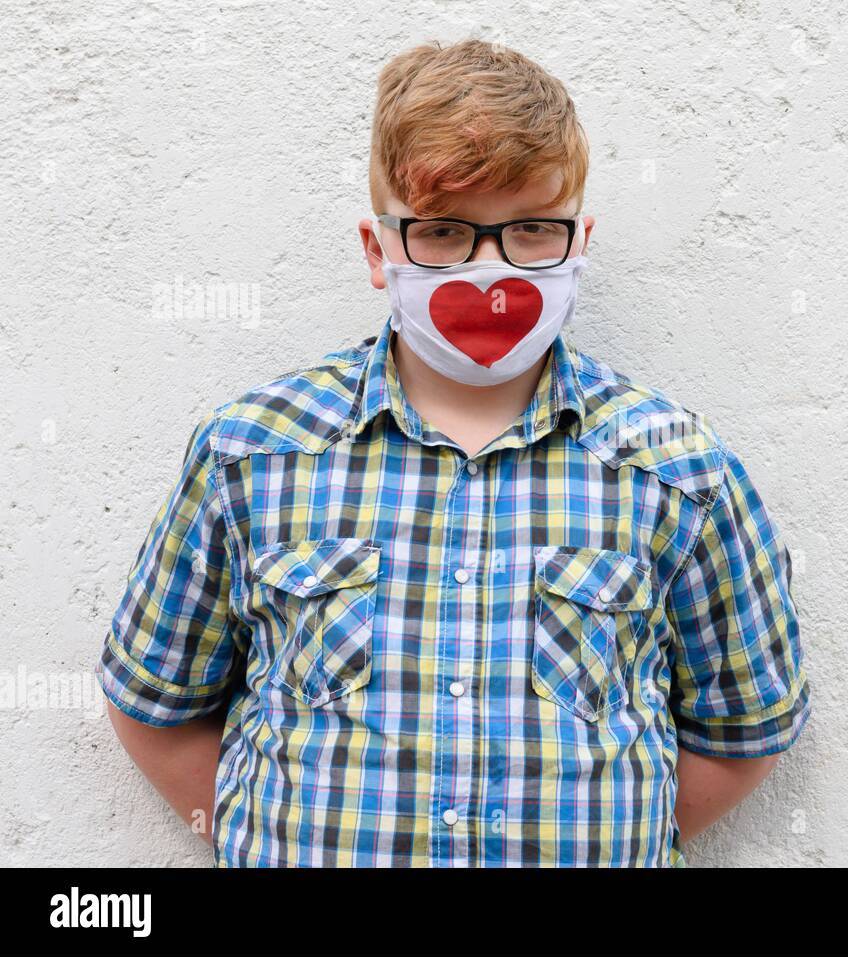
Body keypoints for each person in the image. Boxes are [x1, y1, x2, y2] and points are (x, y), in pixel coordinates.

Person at [97, 38, 810, 866]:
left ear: (579, 240)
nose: (488, 270)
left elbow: (744, 727)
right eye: (443, 232)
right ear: (378, 249)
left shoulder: (678, 470)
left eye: (531, 230)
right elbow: (155, 697)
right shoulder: (251, 452)